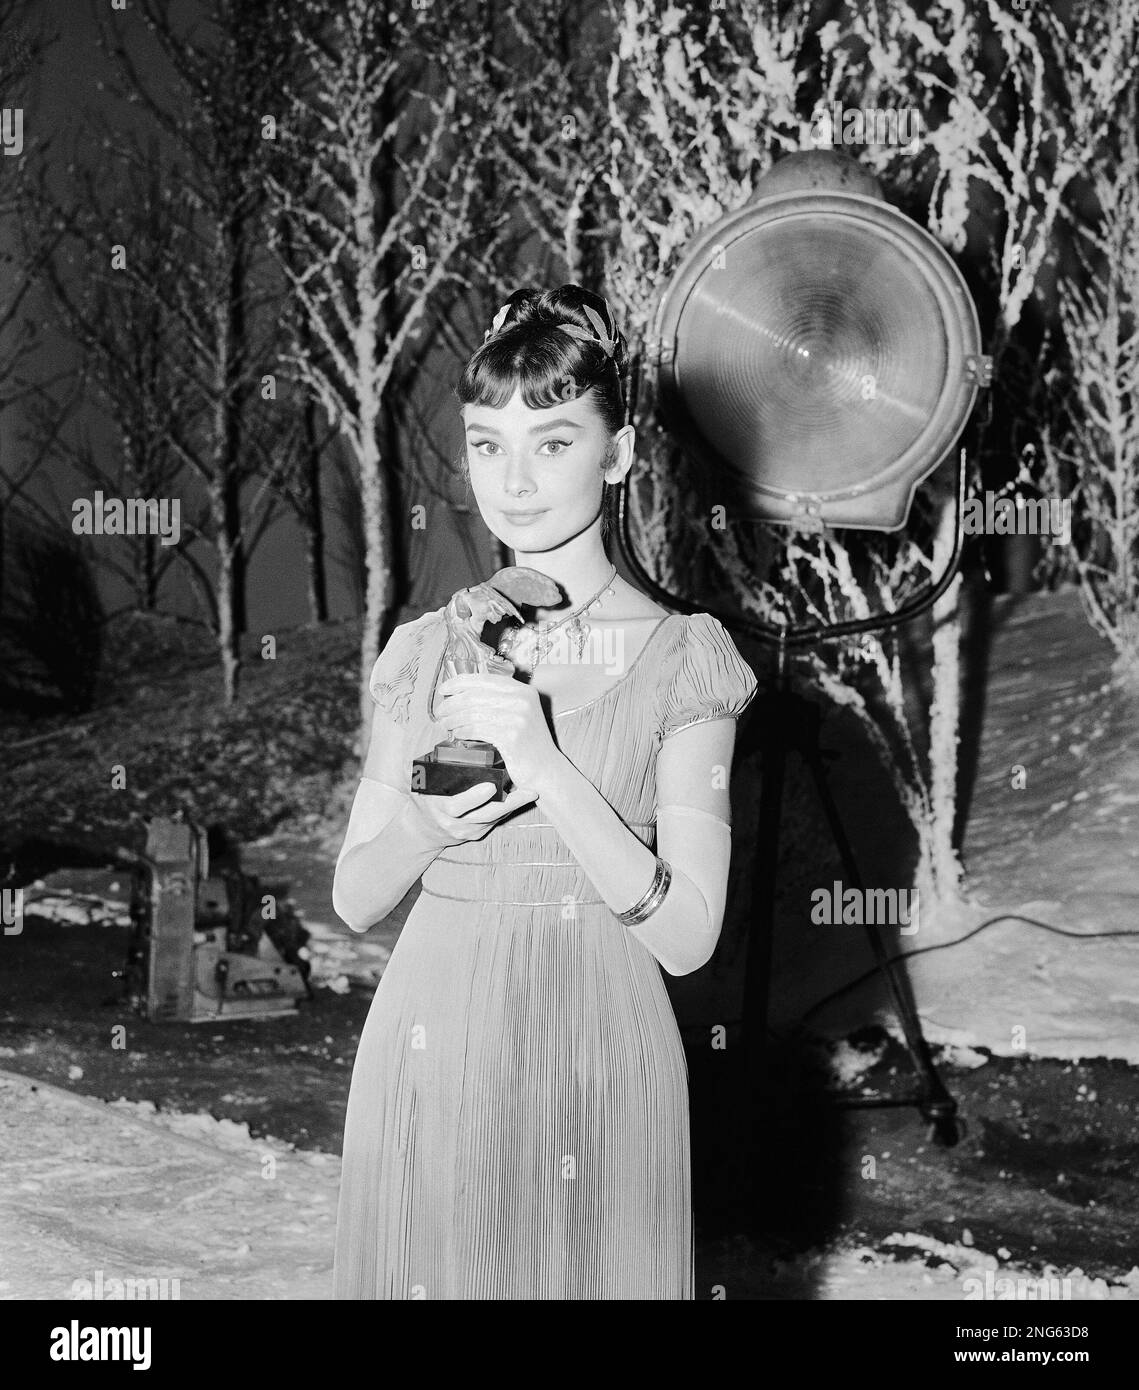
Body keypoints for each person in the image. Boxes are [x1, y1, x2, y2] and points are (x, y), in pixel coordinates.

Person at [331, 284, 758, 1300]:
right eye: (487, 445)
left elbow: (688, 934)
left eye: (553, 443)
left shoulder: (683, 659)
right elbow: (353, 897)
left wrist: (547, 767)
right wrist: (428, 824)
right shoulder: (425, 648)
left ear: (616, 455)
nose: (511, 483)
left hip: (598, 1053)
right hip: (434, 1044)